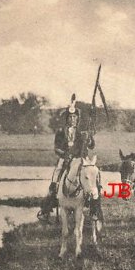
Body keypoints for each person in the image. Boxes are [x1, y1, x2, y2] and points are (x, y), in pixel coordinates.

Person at [38, 94, 96, 222]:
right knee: (56, 176)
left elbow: (91, 146)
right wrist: (65, 154)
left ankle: (95, 207)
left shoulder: (82, 132)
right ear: (67, 118)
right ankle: (47, 208)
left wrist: (90, 137)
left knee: (92, 175)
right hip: (65, 159)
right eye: (70, 117)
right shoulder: (60, 132)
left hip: (79, 159)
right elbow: (56, 148)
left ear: (78, 118)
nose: (73, 119)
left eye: (75, 117)